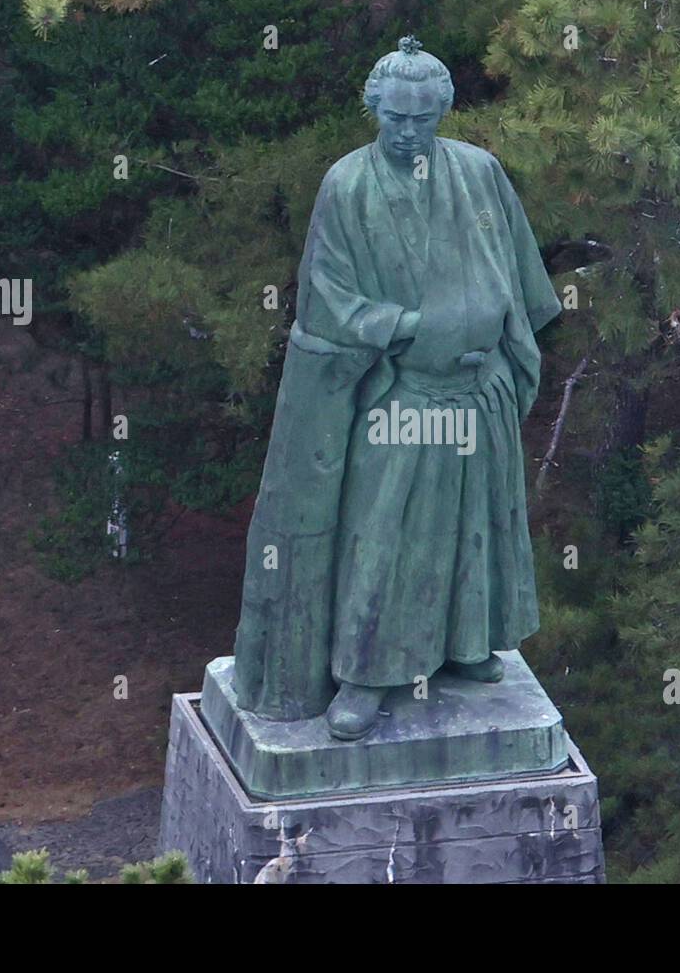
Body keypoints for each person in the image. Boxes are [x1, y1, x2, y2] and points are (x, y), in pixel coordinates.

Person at [230, 36, 561, 740]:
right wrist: (410, 326)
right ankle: (366, 672)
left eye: (422, 117)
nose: (408, 130)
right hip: (404, 393)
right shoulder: (347, 185)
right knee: (383, 537)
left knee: (475, 526)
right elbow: (328, 298)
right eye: (395, 117)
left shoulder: (479, 171)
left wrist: (494, 346)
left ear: (441, 111)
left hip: (481, 388)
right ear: (375, 111)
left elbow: (523, 277)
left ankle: (464, 646)